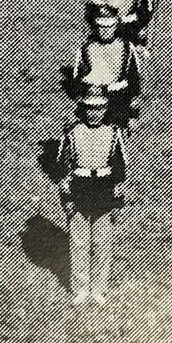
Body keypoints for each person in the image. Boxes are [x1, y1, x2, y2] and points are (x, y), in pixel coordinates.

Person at [56, 86, 128, 306]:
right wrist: (66, 196)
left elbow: (120, 169)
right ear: (83, 108)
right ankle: (80, 289)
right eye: (89, 108)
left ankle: (98, 289)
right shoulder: (72, 132)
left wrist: (117, 197)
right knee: (78, 241)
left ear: (106, 109)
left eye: (99, 108)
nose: (94, 113)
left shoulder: (114, 132)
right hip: (80, 188)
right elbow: (62, 166)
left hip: (103, 189)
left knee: (102, 241)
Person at [73, 2, 146, 128]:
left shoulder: (126, 48)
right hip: (93, 100)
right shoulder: (86, 49)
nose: (105, 30)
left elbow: (134, 81)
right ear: (95, 26)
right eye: (101, 26)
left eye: (109, 26)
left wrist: (133, 114)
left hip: (118, 100)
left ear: (116, 25)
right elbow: (78, 81)